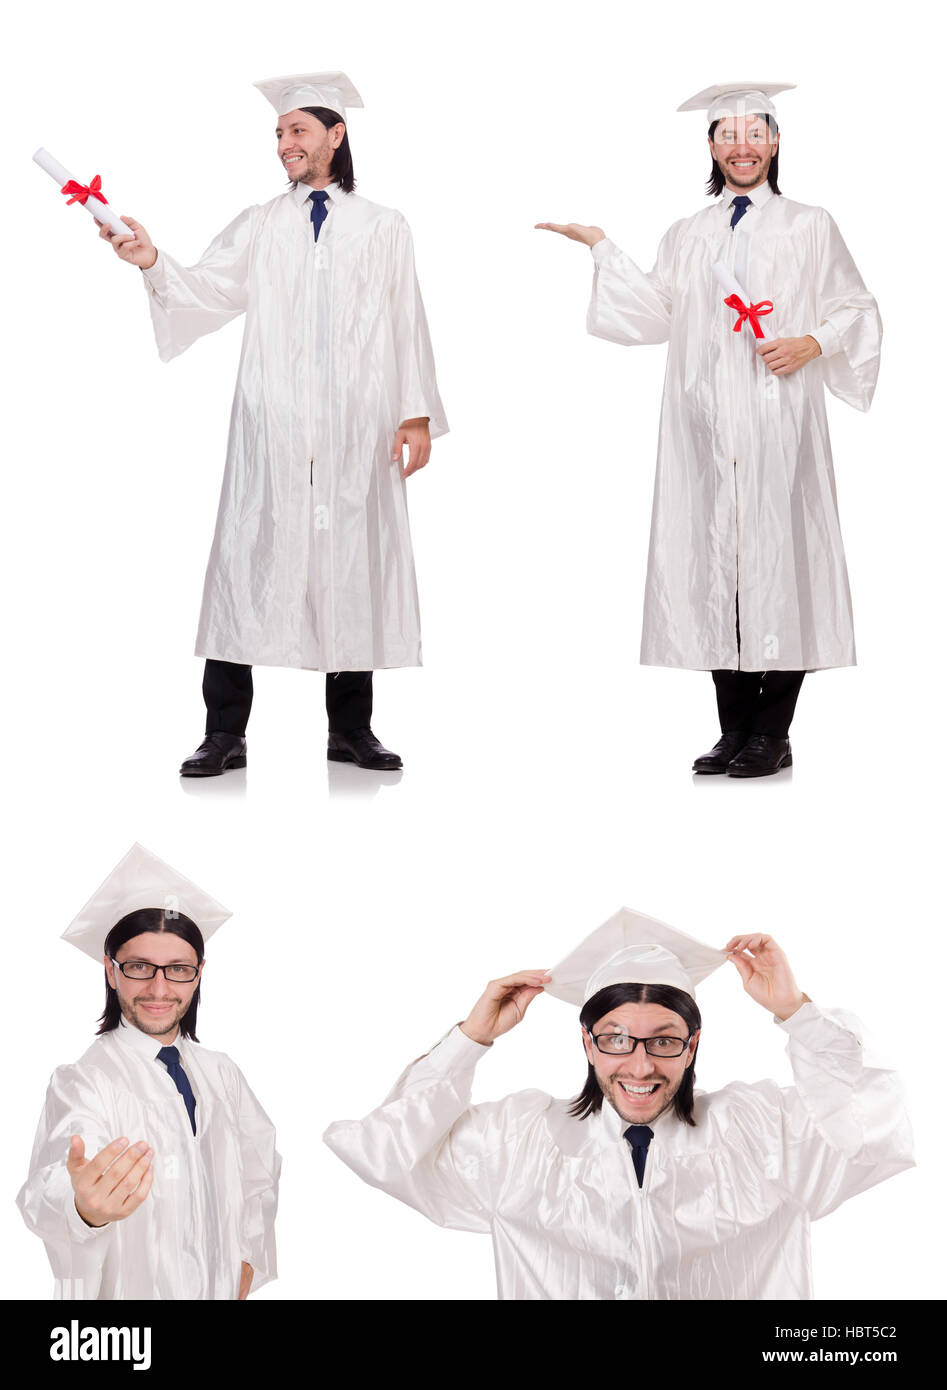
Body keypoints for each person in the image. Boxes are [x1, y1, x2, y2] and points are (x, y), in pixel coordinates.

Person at [98, 71, 447, 775]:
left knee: (350, 565)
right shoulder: (261, 223)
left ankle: (351, 730)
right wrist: (153, 262)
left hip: (356, 426)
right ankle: (224, 733)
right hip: (274, 425)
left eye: (298, 131)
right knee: (243, 560)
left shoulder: (383, 225)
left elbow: (405, 317)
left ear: (335, 135)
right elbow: (207, 288)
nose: (285, 144)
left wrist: (413, 413)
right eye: (279, 133)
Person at [537, 83, 881, 777]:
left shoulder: (809, 225)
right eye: (728, 135)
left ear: (775, 143)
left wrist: (812, 341)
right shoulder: (688, 233)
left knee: (782, 566)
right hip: (700, 430)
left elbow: (856, 304)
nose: (742, 146)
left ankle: (772, 732)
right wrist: (601, 247)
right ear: (711, 145)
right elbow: (652, 314)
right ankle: (732, 730)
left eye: (755, 133)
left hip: (777, 423)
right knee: (714, 570)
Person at [324, 909, 913, 1300]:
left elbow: (872, 1127)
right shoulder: (522, 1139)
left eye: (664, 1040)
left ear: (693, 1045)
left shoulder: (759, 1131)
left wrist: (796, 1011)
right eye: (614, 1039)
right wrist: (470, 1039)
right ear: (587, 1042)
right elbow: (385, 1151)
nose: (639, 1065)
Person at [17, 844, 281, 1300]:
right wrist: (82, 1207)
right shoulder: (85, 1081)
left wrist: (248, 1260)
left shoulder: (222, 1074)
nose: (158, 988)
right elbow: (47, 1186)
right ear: (111, 970)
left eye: (177, 969)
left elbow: (260, 1173)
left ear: (198, 973)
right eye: (139, 966)